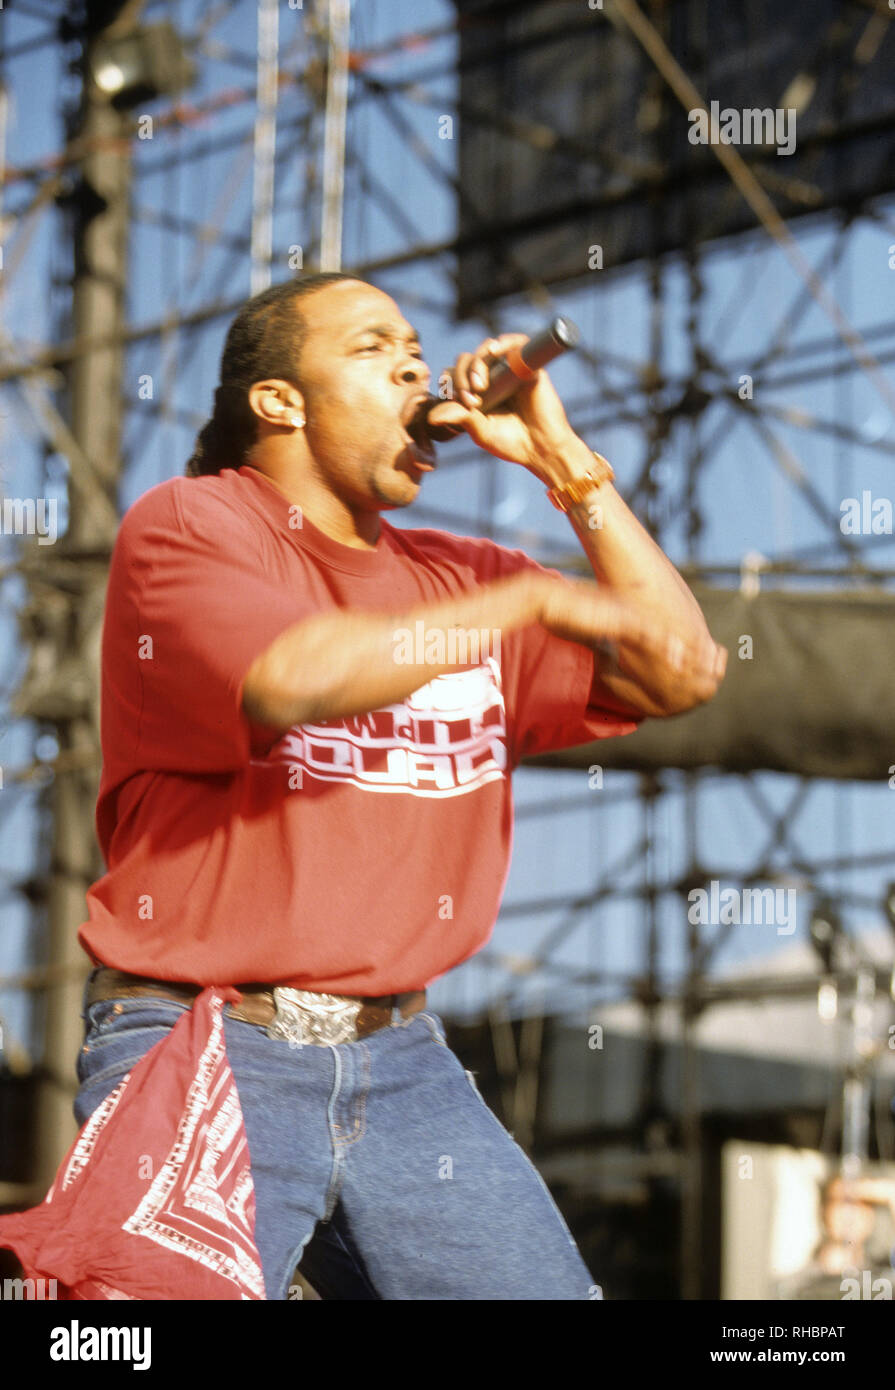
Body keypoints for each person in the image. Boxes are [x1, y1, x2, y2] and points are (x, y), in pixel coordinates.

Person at [72, 271, 726, 1300]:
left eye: (419, 350)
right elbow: (297, 676)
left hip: (403, 1060)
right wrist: (521, 604)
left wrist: (563, 461)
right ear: (278, 399)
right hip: (203, 1044)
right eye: (376, 347)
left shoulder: (460, 574)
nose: (416, 369)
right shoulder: (189, 526)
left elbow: (683, 665)